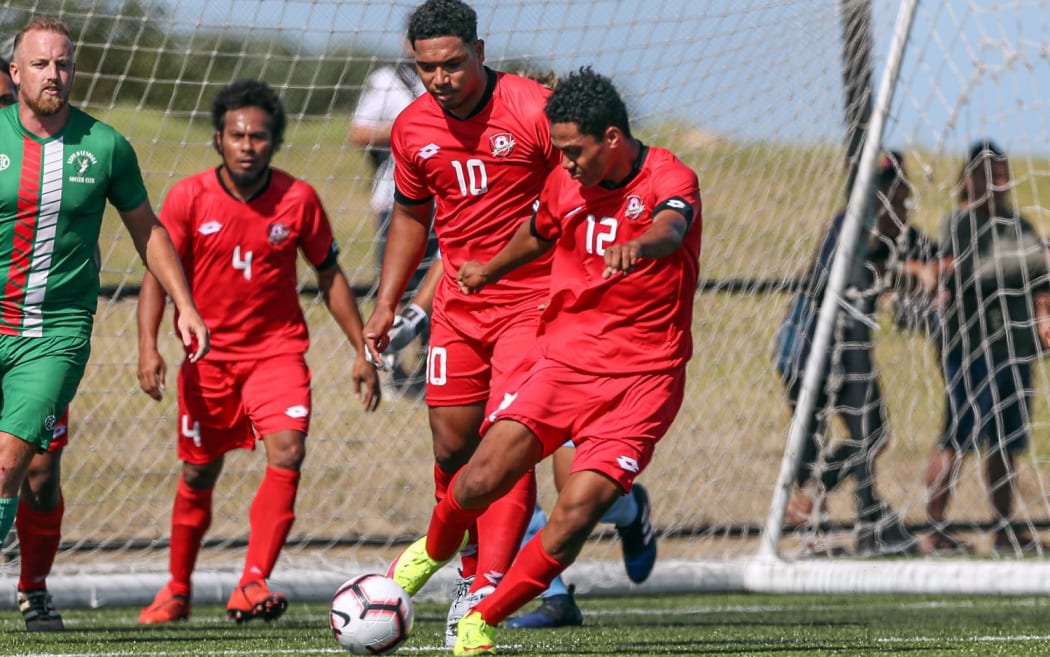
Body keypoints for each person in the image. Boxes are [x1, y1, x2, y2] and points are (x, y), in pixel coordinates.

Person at [386, 66, 702, 655]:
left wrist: (641, 244)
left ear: (612, 138)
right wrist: (491, 269)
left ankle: (485, 616)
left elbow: (670, 223)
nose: (567, 164)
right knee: (478, 476)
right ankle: (427, 555)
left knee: (577, 509)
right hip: (562, 364)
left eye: (575, 151)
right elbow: (538, 230)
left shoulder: (669, 174)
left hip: (643, 380)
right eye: (559, 152)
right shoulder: (565, 182)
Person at [136, 79, 380, 625]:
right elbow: (158, 275)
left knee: (288, 452)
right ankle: (176, 589)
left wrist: (362, 348)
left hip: (277, 355)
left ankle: (252, 580)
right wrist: (147, 345)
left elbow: (329, 274)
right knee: (199, 474)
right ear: (219, 138)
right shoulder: (188, 197)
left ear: (275, 141)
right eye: (237, 135)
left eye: (260, 136)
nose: (248, 145)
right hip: (207, 360)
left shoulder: (299, 199)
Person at [361, 0, 561, 647]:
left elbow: (577, 196)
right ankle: (466, 565)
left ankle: (486, 587)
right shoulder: (413, 127)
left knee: (505, 445)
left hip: (534, 303)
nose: (440, 78)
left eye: (452, 63)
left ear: (479, 49)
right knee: (452, 447)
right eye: (426, 68)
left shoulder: (534, 109)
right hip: (459, 305)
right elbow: (412, 219)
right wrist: (389, 300)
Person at [0, 17, 210, 630]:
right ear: (14, 73)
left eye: (63, 64)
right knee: (29, 476)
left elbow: (147, 229)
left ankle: (33, 587)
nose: (53, 76)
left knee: (20, 466)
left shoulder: (106, 146)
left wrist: (184, 304)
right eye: (40, 65)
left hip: (55, 333)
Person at [774, 151, 930, 556]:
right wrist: (909, 273)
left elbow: (935, 255)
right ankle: (816, 525)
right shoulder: (850, 224)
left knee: (872, 431)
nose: (890, 196)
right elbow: (850, 275)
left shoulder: (898, 231)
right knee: (811, 439)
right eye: (882, 188)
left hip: (851, 351)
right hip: (809, 346)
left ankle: (845, 509)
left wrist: (936, 270)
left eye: (895, 187)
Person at [919, 140, 1050, 555]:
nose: (1001, 181)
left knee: (1007, 443)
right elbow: (979, 268)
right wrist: (1041, 256)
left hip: (1014, 352)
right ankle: (933, 528)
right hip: (971, 350)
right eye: (991, 173)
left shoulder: (1021, 226)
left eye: (1004, 172)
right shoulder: (959, 225)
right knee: (956, 437)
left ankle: (1003, 528)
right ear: (970, 178)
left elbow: (1040, 283)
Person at [348, 45, 438, 298]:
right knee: (398, 285)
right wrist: (410, 129)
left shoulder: (457, 82)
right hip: (396, 197)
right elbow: (357, 133)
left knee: (442, 284)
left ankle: (432, 338)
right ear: (408, 43)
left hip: (448, 198)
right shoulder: (386, 80)